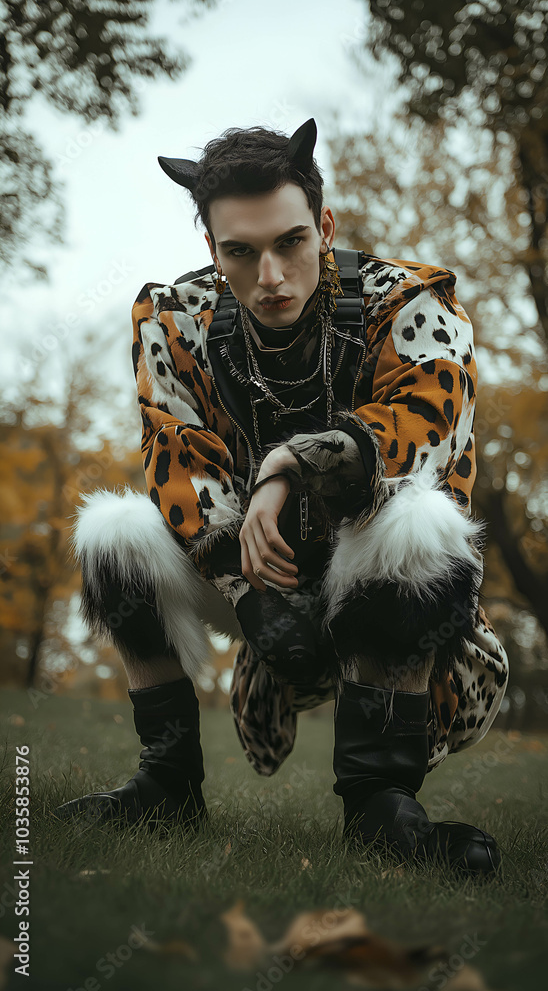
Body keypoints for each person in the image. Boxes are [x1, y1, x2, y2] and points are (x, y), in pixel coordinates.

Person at [55, 118, 509, 877]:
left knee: (424, 519)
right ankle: (168, 784)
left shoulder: (413, 302)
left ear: (323, 225)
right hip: (254, 577)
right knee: (113, 532)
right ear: (212, 248)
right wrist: (246, 590)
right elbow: (178, 458)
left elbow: (425, 439)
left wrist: (287, 464)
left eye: (290, 242)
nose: (270, 275)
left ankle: (379, 803)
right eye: (241, 251)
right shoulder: (174, 321)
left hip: (385, 587)